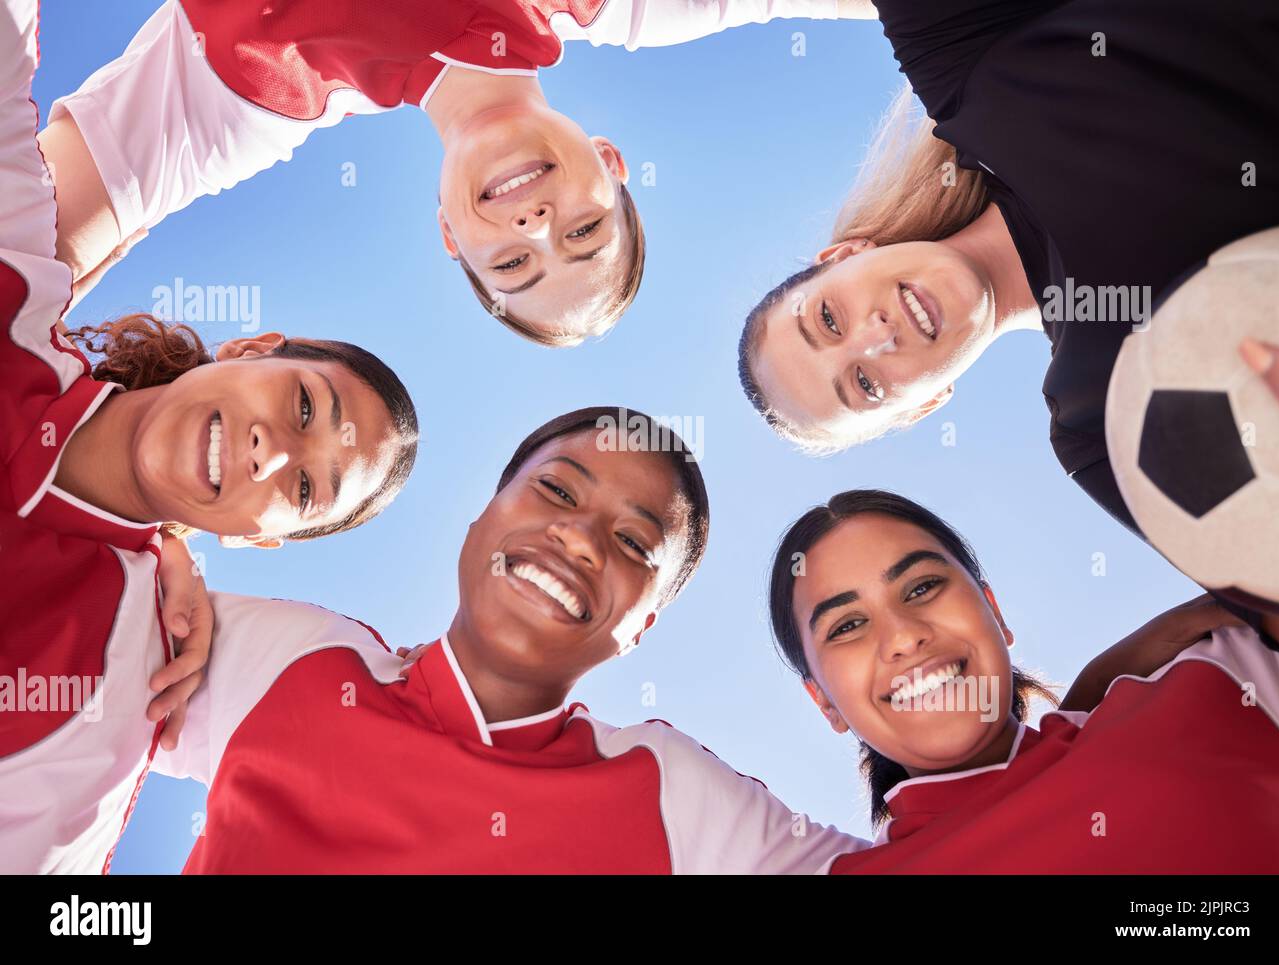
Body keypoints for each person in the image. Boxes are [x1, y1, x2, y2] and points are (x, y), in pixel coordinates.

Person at [0, 0, 419, 872]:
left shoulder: (116, 689)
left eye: (306, 489)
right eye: (306, 406)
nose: (278, 451)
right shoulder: (15, 276)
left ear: (260, 536)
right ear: (249, 348)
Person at [736, 0, 1279, 646]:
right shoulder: (1097, 425)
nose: (877, 335)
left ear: (844, 255)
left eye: (830, 318)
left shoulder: (964, 60)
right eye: (864, 384)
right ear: (923, 407)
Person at [154, 407, 872, 873]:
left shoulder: (667, 791)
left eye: (631, 540)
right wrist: (152, 548)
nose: (580, 537)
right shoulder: (298, 658)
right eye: (558, 491)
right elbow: (69, 618)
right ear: (480, 520)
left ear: (638, 627)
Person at [42, 0, 875, 347]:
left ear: (448, 230)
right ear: (611, 163)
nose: (536, 226)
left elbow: (31, 252)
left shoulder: (260, 91)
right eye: (584, 230)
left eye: (513, 262)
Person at [765, 489, 1279, 872]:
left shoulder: (1217, 681)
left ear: (994, 613)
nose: (903, 637)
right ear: (824, 703)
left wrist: (1244, 599)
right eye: (848, 626)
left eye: (922, 586)